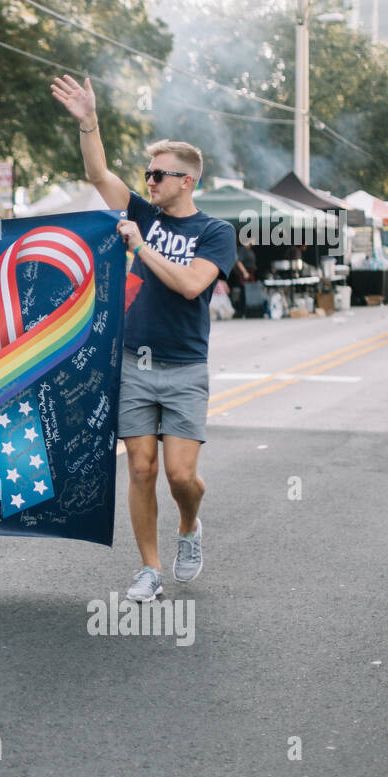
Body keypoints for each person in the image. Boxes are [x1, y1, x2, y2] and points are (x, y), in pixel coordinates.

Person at [52, 73, 236, 604]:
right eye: (148, 174)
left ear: (187, 181)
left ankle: (189, 526)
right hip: (133, 362)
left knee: (181, 476)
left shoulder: (214, 233)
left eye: (159, 175)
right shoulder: (141, 213)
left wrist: (141, 248)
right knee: (140, 466)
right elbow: (97, 173)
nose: (149, 182)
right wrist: (89, 121)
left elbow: (191, 285)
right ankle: (150, 570)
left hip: (183, 367)